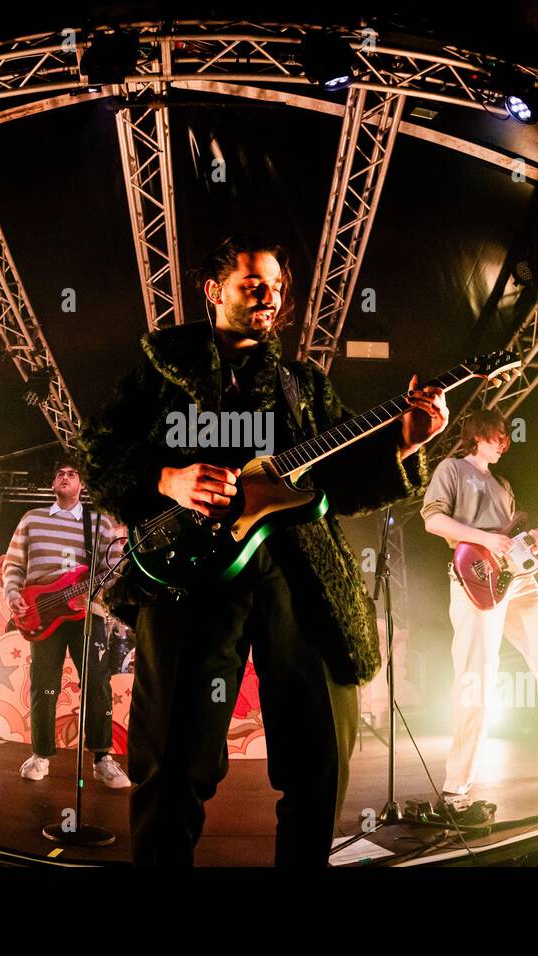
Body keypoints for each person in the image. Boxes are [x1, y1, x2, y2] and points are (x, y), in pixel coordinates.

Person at [77, 234, 448, 865]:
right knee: (173, 759)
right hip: (189, 575)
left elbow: (343, 481)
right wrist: (166, 479)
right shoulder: (158, 371)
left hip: (300, 577)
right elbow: (96, 454)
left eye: (276, 287)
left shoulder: (303, 383)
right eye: (253, 283)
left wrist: (407, 442)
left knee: (318, 758)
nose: (269, 297)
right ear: (213, 291)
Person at [421, 409, 538, 808]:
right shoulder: (452, 469)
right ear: (477, 435)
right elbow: (433, 521)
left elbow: (507, 540)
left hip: (516, 579)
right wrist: (485, 540)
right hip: (473, 578)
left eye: (506, 437)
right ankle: (457, 784)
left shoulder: (504, 486)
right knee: (478, 676)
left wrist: (530, 543)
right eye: (496, 436)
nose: (502, 443)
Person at [1, 461, 130, 789]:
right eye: (59, 473)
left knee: (98, 683)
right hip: (40, 612)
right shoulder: (32, 519)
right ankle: (40, 754)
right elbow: (14, 563)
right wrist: (14, 593)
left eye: (72, 473)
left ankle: (102, 758)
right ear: (53, 482)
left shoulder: (99, 522)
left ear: (81, 484)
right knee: (44, 684)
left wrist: (115, 571)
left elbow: (110, 569)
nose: (65, 477)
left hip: (87, 612)